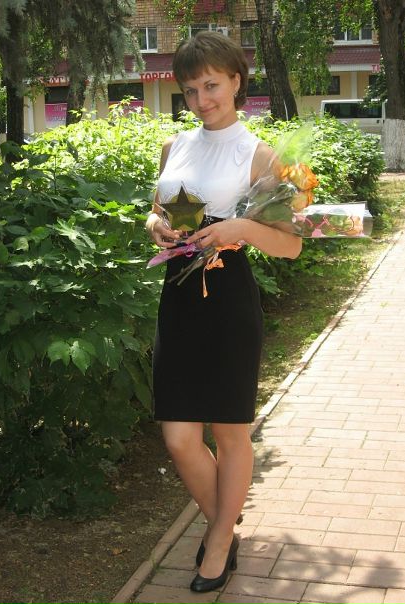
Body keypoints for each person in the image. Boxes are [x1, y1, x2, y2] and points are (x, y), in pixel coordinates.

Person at [146, 31, 302, 593]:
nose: (201, 99)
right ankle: (223, 526)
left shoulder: (261, 155)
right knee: (179, 437)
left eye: (211, 85)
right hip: (178, 294)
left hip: (228, 297)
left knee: (231, 432)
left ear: (236, 81)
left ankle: (217, 544)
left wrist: (240, 227)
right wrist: (155, 225)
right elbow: (158, 209)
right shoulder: (175, 146)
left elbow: (291, 244)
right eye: (190, 90)